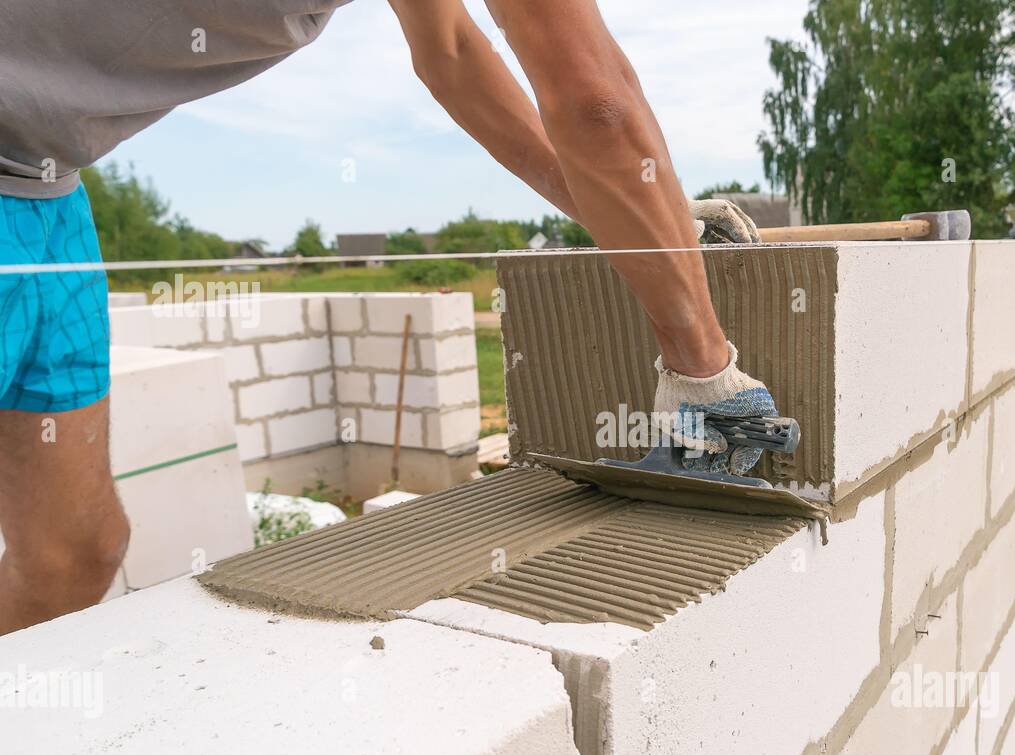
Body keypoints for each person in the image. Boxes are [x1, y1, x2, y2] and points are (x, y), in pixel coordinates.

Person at [0, 0, 779, 635]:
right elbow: (596, 101)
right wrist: (705, 370)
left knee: (75, 554)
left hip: (45, 189)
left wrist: (652, 224)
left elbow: (456, 57)